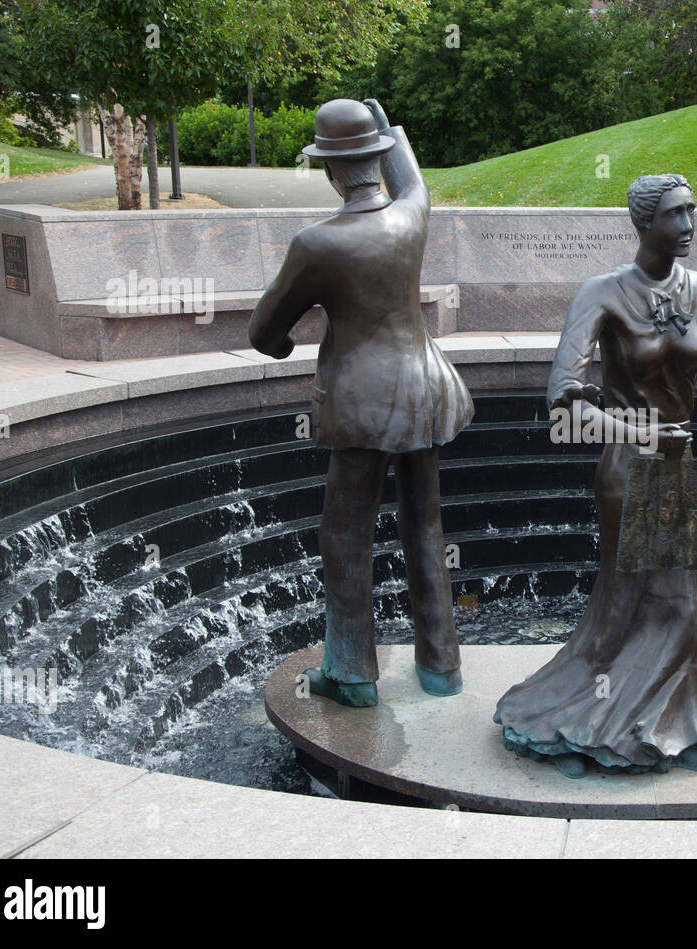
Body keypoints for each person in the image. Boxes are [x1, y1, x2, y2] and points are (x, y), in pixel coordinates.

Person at [493, 174, 697, 777]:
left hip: (681, 465)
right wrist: (640, 433)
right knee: (636, 605)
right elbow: (564, 401)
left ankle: (658, 722)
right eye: (676, 214)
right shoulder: (601, 294)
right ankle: (604, 725)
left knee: (666, 609)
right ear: (644, 222)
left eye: (693, 211)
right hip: (630, 465)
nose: (689, 226)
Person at [249, 99, 474, 707]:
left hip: (360, 403)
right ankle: (441, 666)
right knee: (425, 522)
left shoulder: (317, 243)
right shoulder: (411, 216)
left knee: (346, 533)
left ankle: (351, 673)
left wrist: (287, 342)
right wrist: (389, 125)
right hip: (426, 390)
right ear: (376, 158)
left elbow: (263, 332)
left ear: (327, 170)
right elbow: (414, 180)